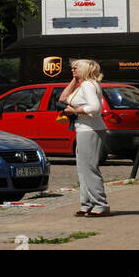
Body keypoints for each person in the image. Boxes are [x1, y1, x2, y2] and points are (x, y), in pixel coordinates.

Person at [60, 58, 109, 218]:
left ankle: (100, 204)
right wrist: (73, 80)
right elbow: (62, 99)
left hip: (91, 130)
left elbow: (95, 108)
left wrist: (74, 111)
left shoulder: (88, 85)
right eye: (72, 68)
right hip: (83, 129)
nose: (72, 70)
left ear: (85, 69)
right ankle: (87, 204)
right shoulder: (83, 85)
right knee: (82, 169)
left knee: (89, 168)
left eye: (76, 68)